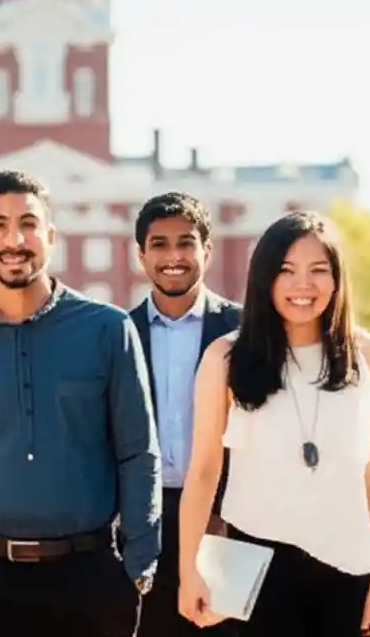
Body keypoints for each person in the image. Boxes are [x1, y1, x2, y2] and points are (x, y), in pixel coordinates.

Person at [0, 170, 160, 637]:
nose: (15, 239)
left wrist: (137, 561)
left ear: (50, 236)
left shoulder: (108, 330)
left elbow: (138, 452)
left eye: (28, 223)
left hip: (91, 577)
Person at [178, 211, 370, 636]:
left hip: (349, 565)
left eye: (319, 270)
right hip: (255, 568)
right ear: (265, 278)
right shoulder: (225, 358)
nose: (304, 285)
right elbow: (204, 472)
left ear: (337, 280)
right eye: (287, 270)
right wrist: (190, 569)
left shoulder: (369, 357)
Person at [128, 192, 240, 637]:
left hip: (225, 519)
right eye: (159, 244)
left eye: (185, 243)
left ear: (206, 251)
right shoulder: (121, 333)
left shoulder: (244, 331)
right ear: (141, 255)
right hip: (146, 523)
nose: (173, 257)